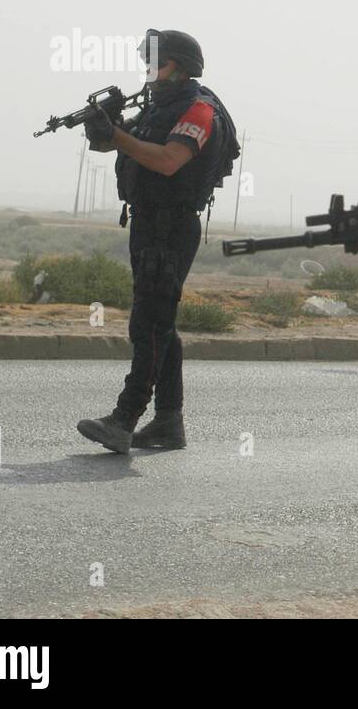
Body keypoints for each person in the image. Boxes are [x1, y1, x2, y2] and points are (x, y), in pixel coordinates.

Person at [77, 29, 238, 454]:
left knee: (148, 326)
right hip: (148, 224)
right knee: (160, 325)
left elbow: (169, 161)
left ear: (181, 67)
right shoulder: (158, 109)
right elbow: (115, 145)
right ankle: (168, 422)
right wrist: (103, 129)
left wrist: (118, 136)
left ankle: (124, 419)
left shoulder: (199, 111)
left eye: (157, 63)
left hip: (170, 228)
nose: (148, 71)